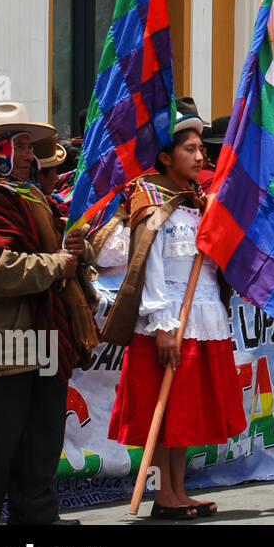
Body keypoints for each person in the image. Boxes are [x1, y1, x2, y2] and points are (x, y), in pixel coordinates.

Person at [0, 102, 93, 525]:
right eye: (21, 145)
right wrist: (57, 265)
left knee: (41, 444)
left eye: (29, 147)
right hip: (3, 346)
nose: (32, 155)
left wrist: (77, 252)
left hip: (46, 339)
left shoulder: (35, 199)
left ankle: (37, 527)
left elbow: (59, 255)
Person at [104, 105, 244, 519]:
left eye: (202, 149)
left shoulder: (198, 201)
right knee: (162, 413)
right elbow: (148, 264)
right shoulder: (150, 198)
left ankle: (178, 491)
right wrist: (162, 323)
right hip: (165, 321)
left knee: (183, 413)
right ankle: (164, 497)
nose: (201, 156)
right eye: (190, 149)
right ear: (165, 156)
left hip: (202, 317)